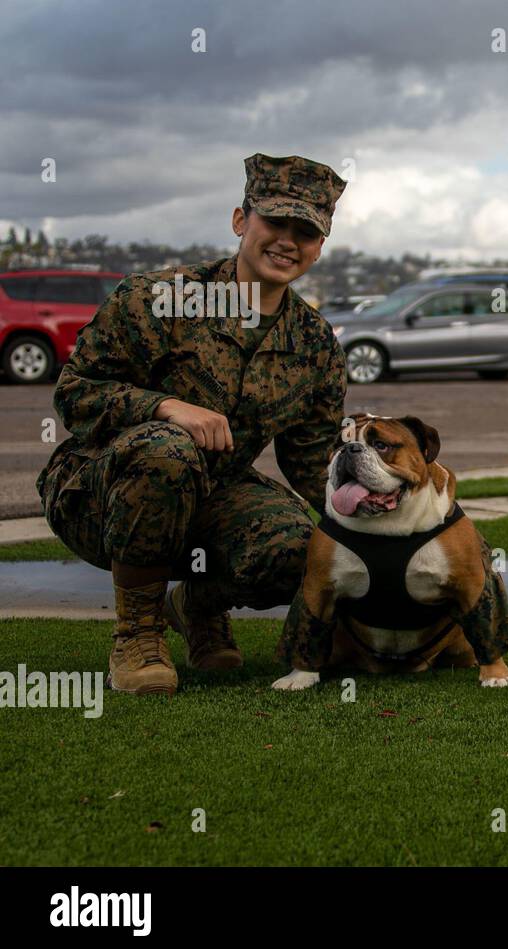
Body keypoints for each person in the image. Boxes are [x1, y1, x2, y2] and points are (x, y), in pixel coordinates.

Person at [37, 153, 348, 695]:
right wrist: (163, 407)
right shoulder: (159, 300)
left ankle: (201, 603)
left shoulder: (316, 344)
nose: (287, 242)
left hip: (211, 494)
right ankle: (138, 634)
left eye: (306, 232)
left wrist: (407, 519)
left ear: (320, 246)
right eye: (275, 222)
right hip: (99, 490)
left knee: (303, 547)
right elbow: (75, 394)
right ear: (239, 220)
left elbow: (315, 464)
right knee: (168, 450)